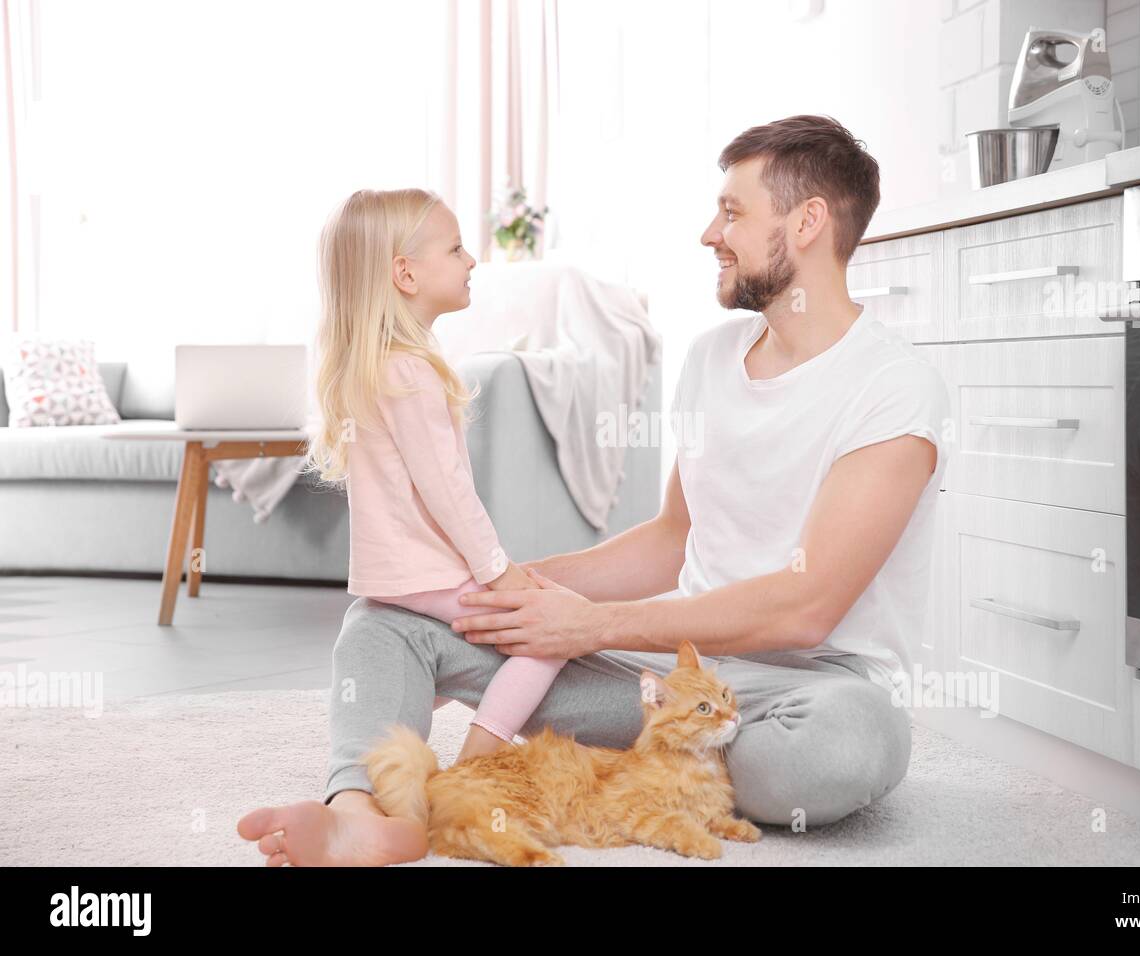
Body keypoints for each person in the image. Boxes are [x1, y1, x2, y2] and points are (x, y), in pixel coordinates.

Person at [239, 114, 950, 867]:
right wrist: (520, 598)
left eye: (733, 212)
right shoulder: (712, 359)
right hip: (668, 684)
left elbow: (809, 608)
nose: (711, 233)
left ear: (807, 223)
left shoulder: (892, 386)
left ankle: (615, 775)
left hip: (806, 699)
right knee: (385, 624)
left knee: (834, 753)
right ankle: (368, 811)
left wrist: (592, 627)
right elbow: (672, 539)